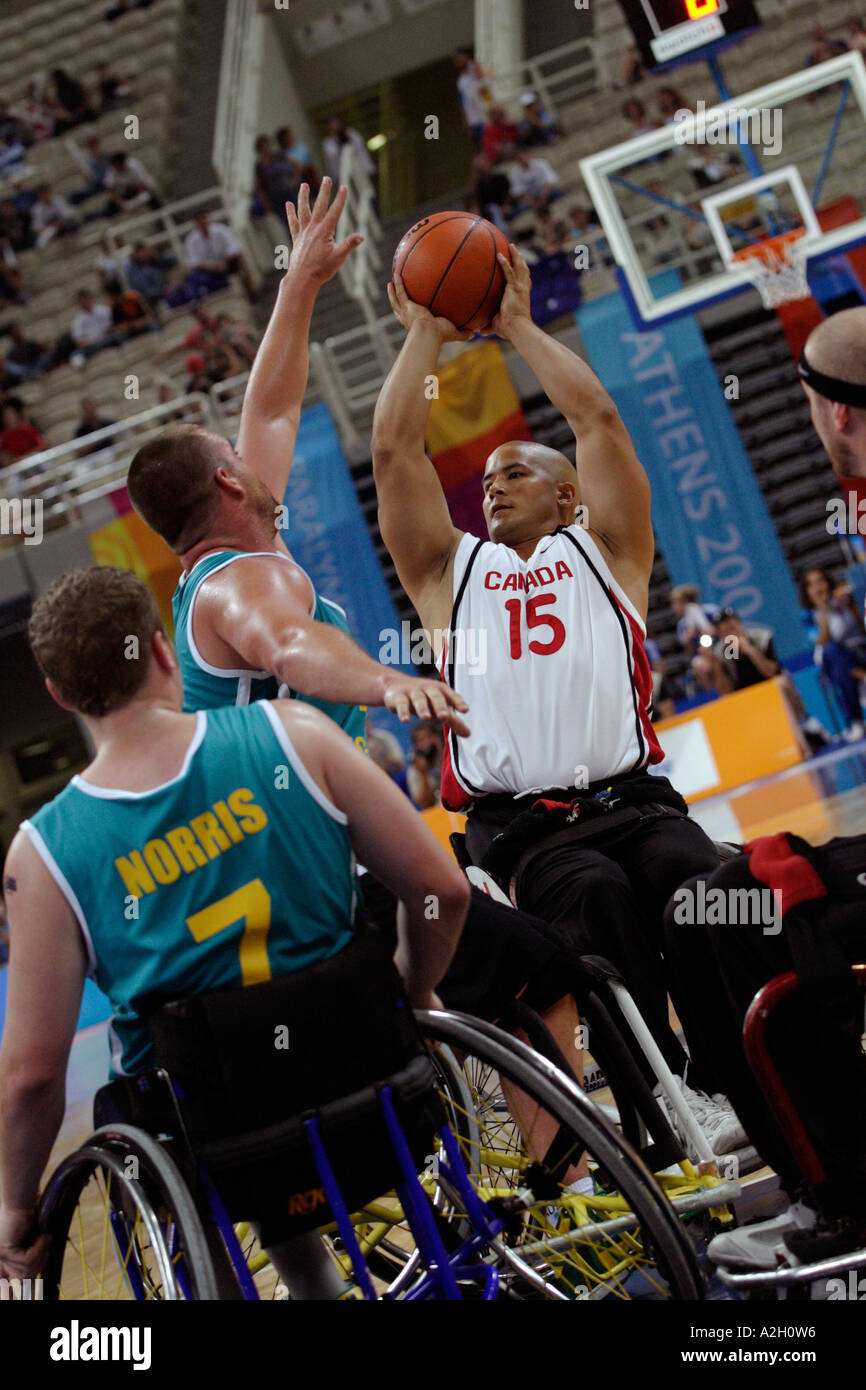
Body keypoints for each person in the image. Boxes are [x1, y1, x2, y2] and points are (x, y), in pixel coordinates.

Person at [126, 181, 602, 1112]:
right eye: (228, 446)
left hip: (276, 856)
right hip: (300, 871)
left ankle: (505, 1155)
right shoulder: (246, 585)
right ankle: (555, 1185)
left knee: (490, 963)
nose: (247, 442)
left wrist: (300, 280)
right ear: (227, 480)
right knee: (535, 971)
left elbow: (268, 409)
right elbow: (295, 647)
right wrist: (386, 681)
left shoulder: (222, 557)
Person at [0, 564, 469, 1293]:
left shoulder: (44, 852)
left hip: (222, 1145)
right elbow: (441, 890)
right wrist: (411, 990)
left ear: (60, 694)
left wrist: (12, 1207)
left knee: (149, 1102)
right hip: (375, 1079)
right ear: (162, 650)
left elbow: (31, 1077)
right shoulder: (294, 733)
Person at [371, 246, 746, 1155]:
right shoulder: (447, 574)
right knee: (603, 901)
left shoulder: (608, 550)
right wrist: (424, 327)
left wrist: (517, 327)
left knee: (706, 890)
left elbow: (598, 416)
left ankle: (732, 1081)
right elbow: (394, 448)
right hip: (530, 830)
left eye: (516, 472)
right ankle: (658, 1103)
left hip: (634, 801)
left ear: (569, 496)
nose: (493, 485)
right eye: (487, 478)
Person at [799, 566, 866, 739]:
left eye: (820, 581)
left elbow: (862, 629)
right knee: (835, 655)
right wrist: (824, 611)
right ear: (807, 591)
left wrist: (852, 604)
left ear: (828, 582)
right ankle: (856, 720)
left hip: (857, 651)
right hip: (831, 659)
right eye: (811, 584)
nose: (818, 587)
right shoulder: (809, 615)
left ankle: (856, 719)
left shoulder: (843, 601)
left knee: (845, 668)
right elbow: (822, 640)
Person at [183, 211, 258, 301]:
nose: (202, 223)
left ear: (207, 219)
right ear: (196, 224)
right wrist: (210, 266)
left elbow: (235, 248)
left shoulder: (221, 230)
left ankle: (252, 291)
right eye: (199, 221)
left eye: (203, 220)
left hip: (226, 263)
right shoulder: (192, 239)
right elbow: (193, 261)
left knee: (241, 261)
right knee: (193, 277)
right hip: (208, 269)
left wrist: (224, 262)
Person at [321, 117, 375, 185]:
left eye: (336, 123)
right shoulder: (328, 144)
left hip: (363, 170)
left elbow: (362, 152)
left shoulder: (352, 134)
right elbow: (332, 161)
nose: (335, 126)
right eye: (332, 124)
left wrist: (370, 169)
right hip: (345, 176)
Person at [452, 49, 487, 147]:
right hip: (474, 120)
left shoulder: (475, 68)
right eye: (456, 61)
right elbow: (463, 103)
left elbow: (483, 82)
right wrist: (466, 122)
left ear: (466, 56)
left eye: (460, 58)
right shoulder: (461, 82)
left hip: (486, 113)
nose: (459, 61)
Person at [407, 720, 444, 810]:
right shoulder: (415, 770)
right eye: (421, 740)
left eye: (430, 736)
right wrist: (423, 774)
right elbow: (426, 804)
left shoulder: (453, 755)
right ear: (416, 746)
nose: (427, 742)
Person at [0, 399, 45, 468]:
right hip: (18, 465)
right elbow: (5, 461)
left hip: (34, 459)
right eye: (7, 417)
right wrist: (20, 460)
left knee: (39, 459)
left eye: (11, 416)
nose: (10, 419)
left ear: (16, 416)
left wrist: (28, 457)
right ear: (3, 420)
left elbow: (42, 445)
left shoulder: (27, 428)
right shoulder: (3, 437)